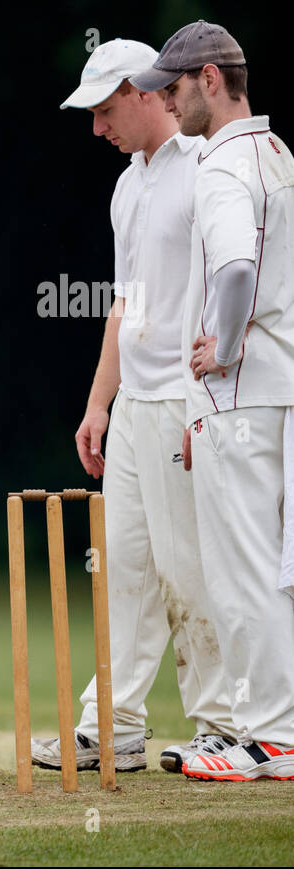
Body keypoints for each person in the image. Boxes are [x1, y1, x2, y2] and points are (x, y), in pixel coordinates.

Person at [31, 40, 237, 777]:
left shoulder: (206, 166)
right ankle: (112, 725)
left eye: (105, 109)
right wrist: (98, 404)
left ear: (142, 91)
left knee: (191, 567)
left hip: (190, 401)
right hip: (137, 406)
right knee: (121, 569)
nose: (96, 128)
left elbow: (224, 290)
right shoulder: (128, 183)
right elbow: (128, 302)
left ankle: (224, 724)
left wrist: (201, 403)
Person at [132, 22, 294, 782]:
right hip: (278, 388)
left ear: (210, 79)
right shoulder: (276, 153)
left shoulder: (223, 165)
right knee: (274, 566)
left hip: (242, 393)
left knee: (243, 569)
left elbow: (233, 270)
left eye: (172, 86)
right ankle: (272, 727)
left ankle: (271, 734)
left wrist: (222, 350)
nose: (166, 99)